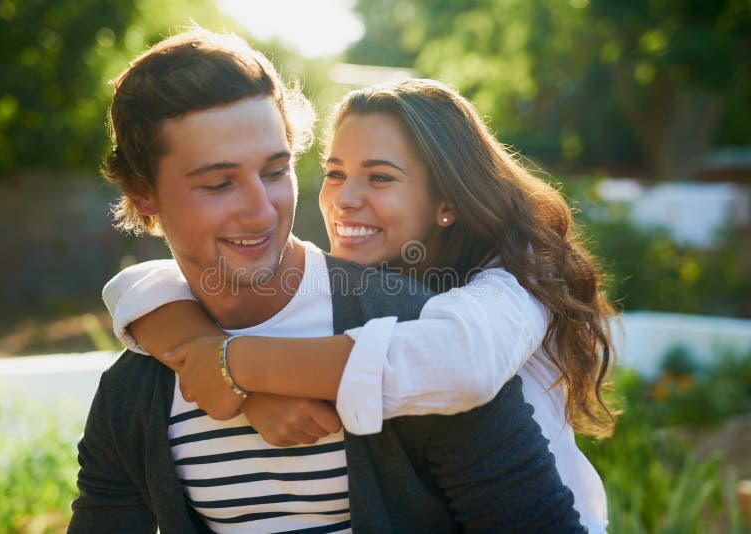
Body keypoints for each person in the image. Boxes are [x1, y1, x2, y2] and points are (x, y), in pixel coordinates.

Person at [69, 27, 583, 533]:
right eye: (219, 183)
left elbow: (465, 366)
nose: (260, 211)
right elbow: (138, 286)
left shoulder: (417, 332)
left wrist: (232, 364)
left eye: (275, 172)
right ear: (144, 199)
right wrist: (235, 378)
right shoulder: (137, 384)